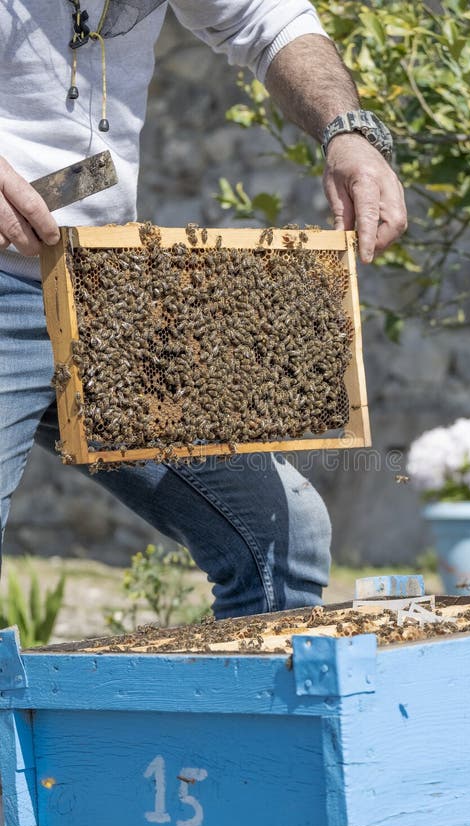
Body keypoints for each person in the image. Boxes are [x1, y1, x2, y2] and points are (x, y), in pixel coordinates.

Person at [0, 0, 407, 619]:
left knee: (279, 536)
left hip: (102, 291)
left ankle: (259, 685)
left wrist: (348, 131)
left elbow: (266, 19)